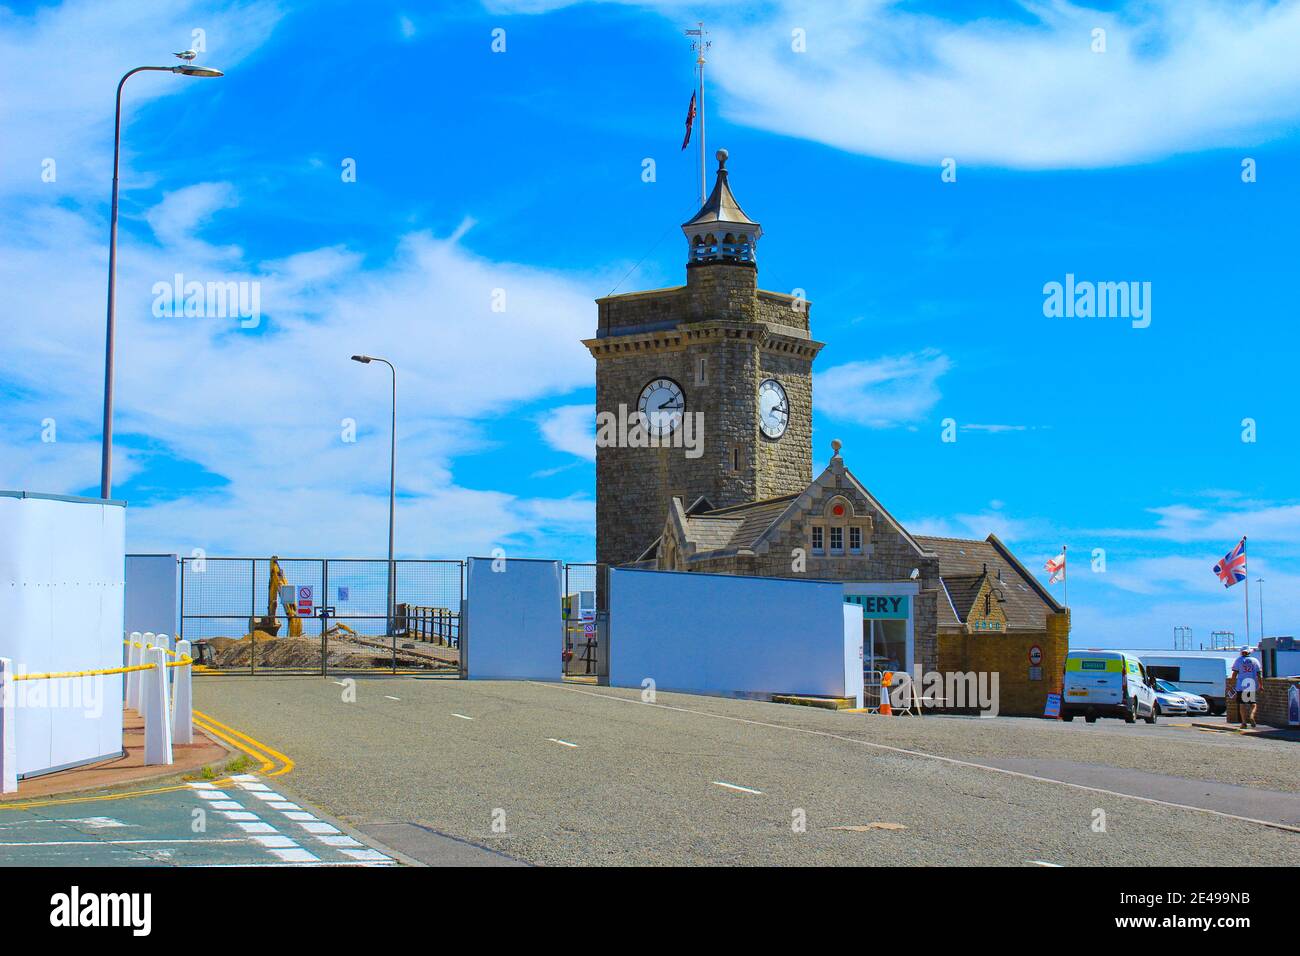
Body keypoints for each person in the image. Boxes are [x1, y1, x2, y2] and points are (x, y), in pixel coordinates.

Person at [1231, 645, 1263, 730]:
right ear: (1249, 652)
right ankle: (1252, 716)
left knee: (1242, 705)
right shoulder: (1255, 661)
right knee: (1253, 704)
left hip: (1241, 685)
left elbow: (1234, 674)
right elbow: (1258, 674)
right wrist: (1261, 685)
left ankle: (1244, 722)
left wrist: (1232, 684)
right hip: (1251, 684)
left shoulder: (1238, 660)